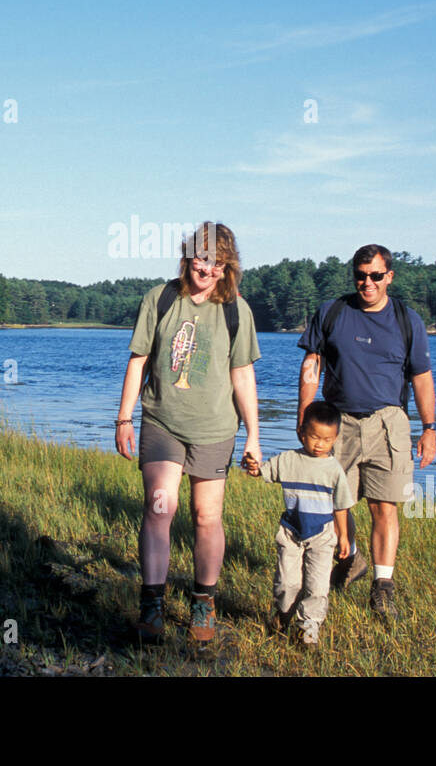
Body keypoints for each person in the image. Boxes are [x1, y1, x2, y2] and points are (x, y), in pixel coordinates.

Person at [115, 221, 261, 644]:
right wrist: (124, 418)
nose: (207, 268)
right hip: (162, 420)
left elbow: (243, 374)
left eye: (217, 262)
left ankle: (203, 602)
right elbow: (138, 361)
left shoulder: (237, 309)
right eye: (200, 258)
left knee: (206, 517)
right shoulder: (160, 299)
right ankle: (152, 605)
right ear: (187, 257)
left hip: (216, 428)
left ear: (227, 265)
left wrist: (254, 434)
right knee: (160, 507)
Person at [296, 244, 436, 621]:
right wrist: (304, 414)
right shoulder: (333, 312)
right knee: (331, 502)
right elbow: (312, 364)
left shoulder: (409, 321)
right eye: (361, 275)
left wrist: (429, 429)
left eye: (376, 275)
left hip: (388, 424)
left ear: (389, 276)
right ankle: (350, 556)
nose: (367, 282)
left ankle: (382, 588)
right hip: (337, 421)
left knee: (383, 506)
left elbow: (422, 378)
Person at [243, 400, 353, 647]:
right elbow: (263, 471)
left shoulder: (334, 469)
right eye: (314, 437)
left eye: (327, 440)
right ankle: (283, 614)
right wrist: (252, 466)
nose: (319, 444)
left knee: (317, 586)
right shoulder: (288, 460)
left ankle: (308, 629)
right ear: (302, 431)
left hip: (323, 535)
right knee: (288, 583)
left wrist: (343, 536)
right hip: (291, 532)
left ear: (335, 439)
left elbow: (341, 506)